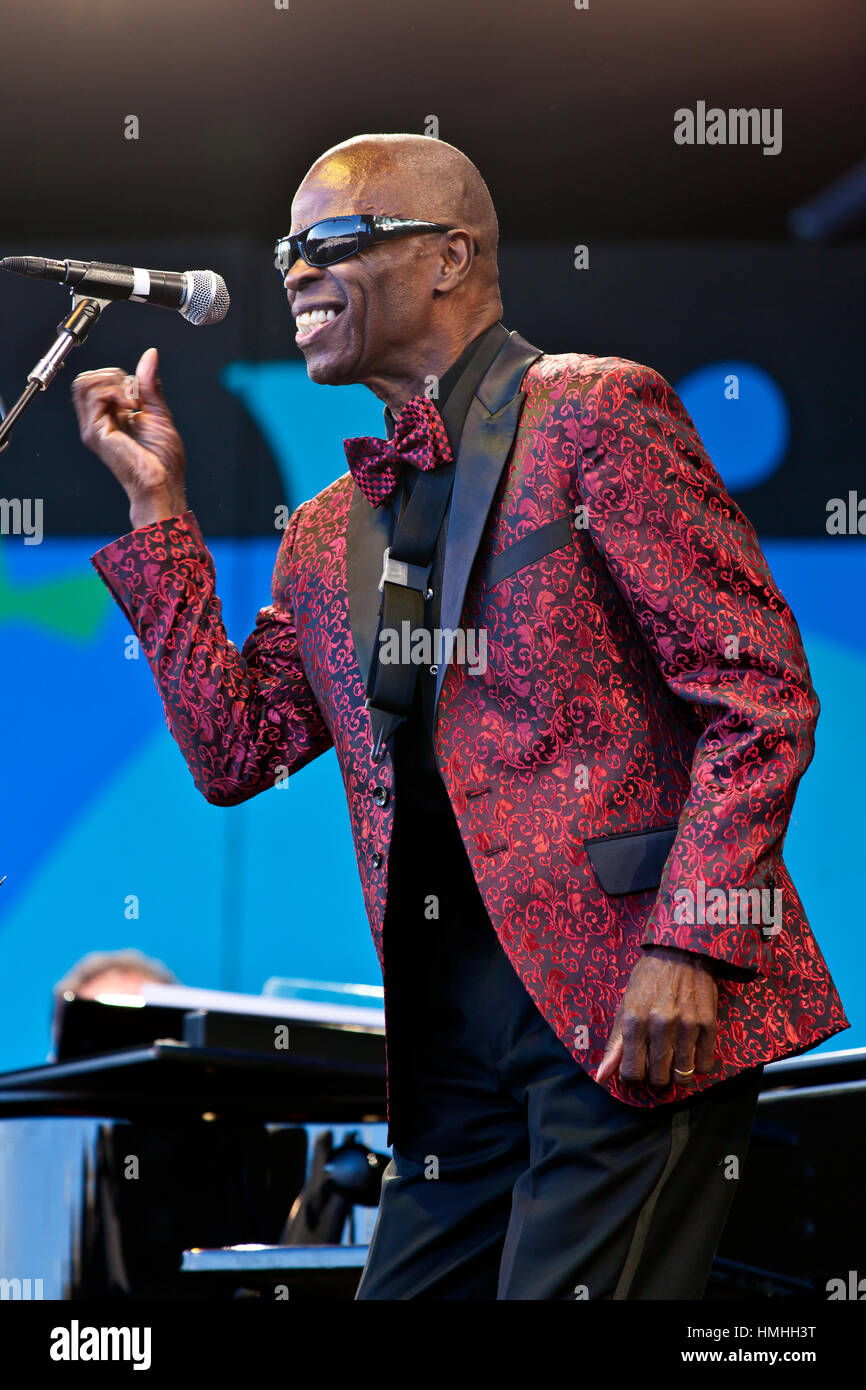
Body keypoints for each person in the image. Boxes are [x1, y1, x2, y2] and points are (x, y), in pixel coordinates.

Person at [71, 133, 847, 1300]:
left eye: (326, 239)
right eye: (283, 247)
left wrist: (690, 941)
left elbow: (758, 693)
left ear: (447, 255)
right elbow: (236, 749)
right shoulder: (328, 528)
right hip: (445, 1046)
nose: (290, 269)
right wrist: (158, 508)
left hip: (628, 1004)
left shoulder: (595, 413)